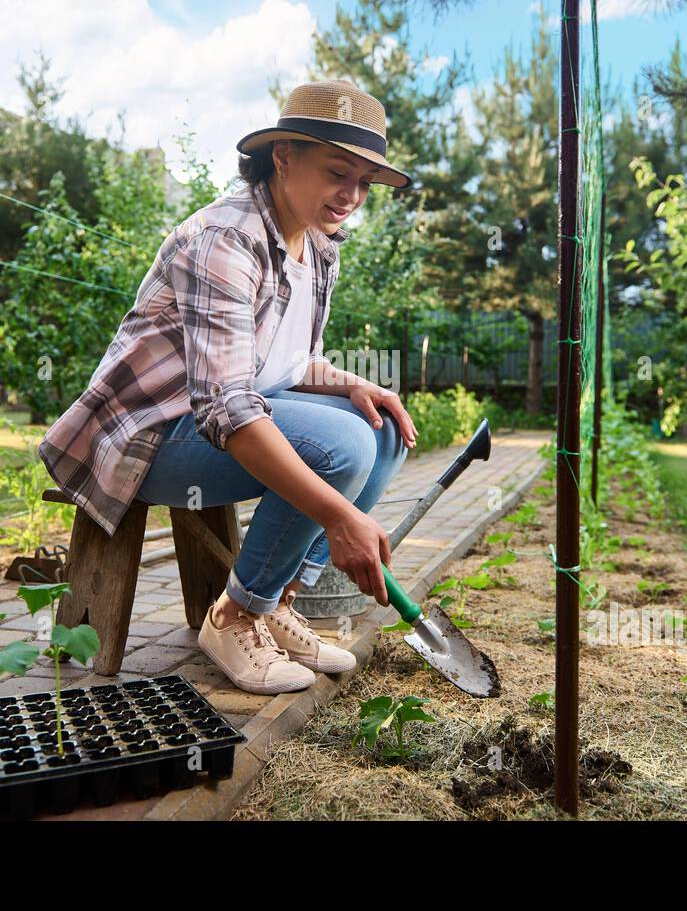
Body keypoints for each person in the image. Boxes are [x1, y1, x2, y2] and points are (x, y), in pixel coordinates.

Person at [39, 79, 418, 695]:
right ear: (284, 157)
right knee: (343, 447)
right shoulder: (224, 238)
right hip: (150, 438)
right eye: (336, 173)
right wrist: (340, 515)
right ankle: (234, 615)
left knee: (382, 429)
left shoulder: (319, 246)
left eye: (364, 183)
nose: (350, 195)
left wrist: (350, 382)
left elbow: (289, 363)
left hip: (222, 420)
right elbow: (225, 406)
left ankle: (276, 603)